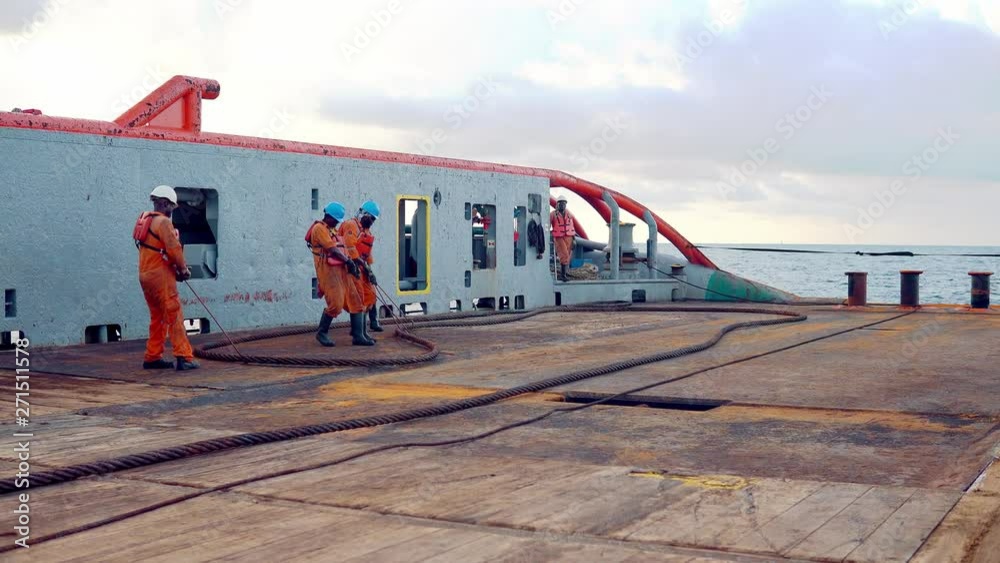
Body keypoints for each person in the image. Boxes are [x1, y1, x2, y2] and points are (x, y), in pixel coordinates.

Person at [133, 185, 199, 371]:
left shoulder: (146, 220)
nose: (172, 210)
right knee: (174, 315)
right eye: (171, 206)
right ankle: (184, 357)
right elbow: (173, 249)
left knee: (158, 317)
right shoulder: (163, 223)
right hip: (161, 277)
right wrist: (183, 270)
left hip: (145, 276)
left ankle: (152, 357)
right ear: (163, 203)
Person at [306, 202, 365, 347]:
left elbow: (342, 249)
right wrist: (349, 262)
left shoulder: (331, 230)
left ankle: (358, 336)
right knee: (336, 304)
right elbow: (333, 250)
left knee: (355, 300)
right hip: (329, 273)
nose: (337, 223)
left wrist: (351, 264)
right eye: (336, 220)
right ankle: (322, 332)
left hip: (341, 270)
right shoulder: (319, 229)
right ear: (329, 217)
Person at [339, 201, 381, 343]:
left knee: (369, 296)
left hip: (362, 268)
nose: (372, 221)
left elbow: (367, 255)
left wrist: (370, 271)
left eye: (374, 219)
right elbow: (350, 248)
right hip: (351, 267)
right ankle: (358, 335)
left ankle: (363, 332)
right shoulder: (351, 225)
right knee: (356, 299)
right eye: (371, 218)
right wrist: (361, 265)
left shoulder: (366, 232)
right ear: (363, 214)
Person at [550, 195, 577, 282]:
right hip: (559, 237)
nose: (563, 205)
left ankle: (564, 274)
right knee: (564, 255)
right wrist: (549, 235)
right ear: (557, 204)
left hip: (569, 237)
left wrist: (574, 239)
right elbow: (547, 225)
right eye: (561, 203)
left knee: (567, 256)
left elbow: (572, 226)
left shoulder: (569, 214)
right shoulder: (553, 215)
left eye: (564, 203)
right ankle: (563, 275)